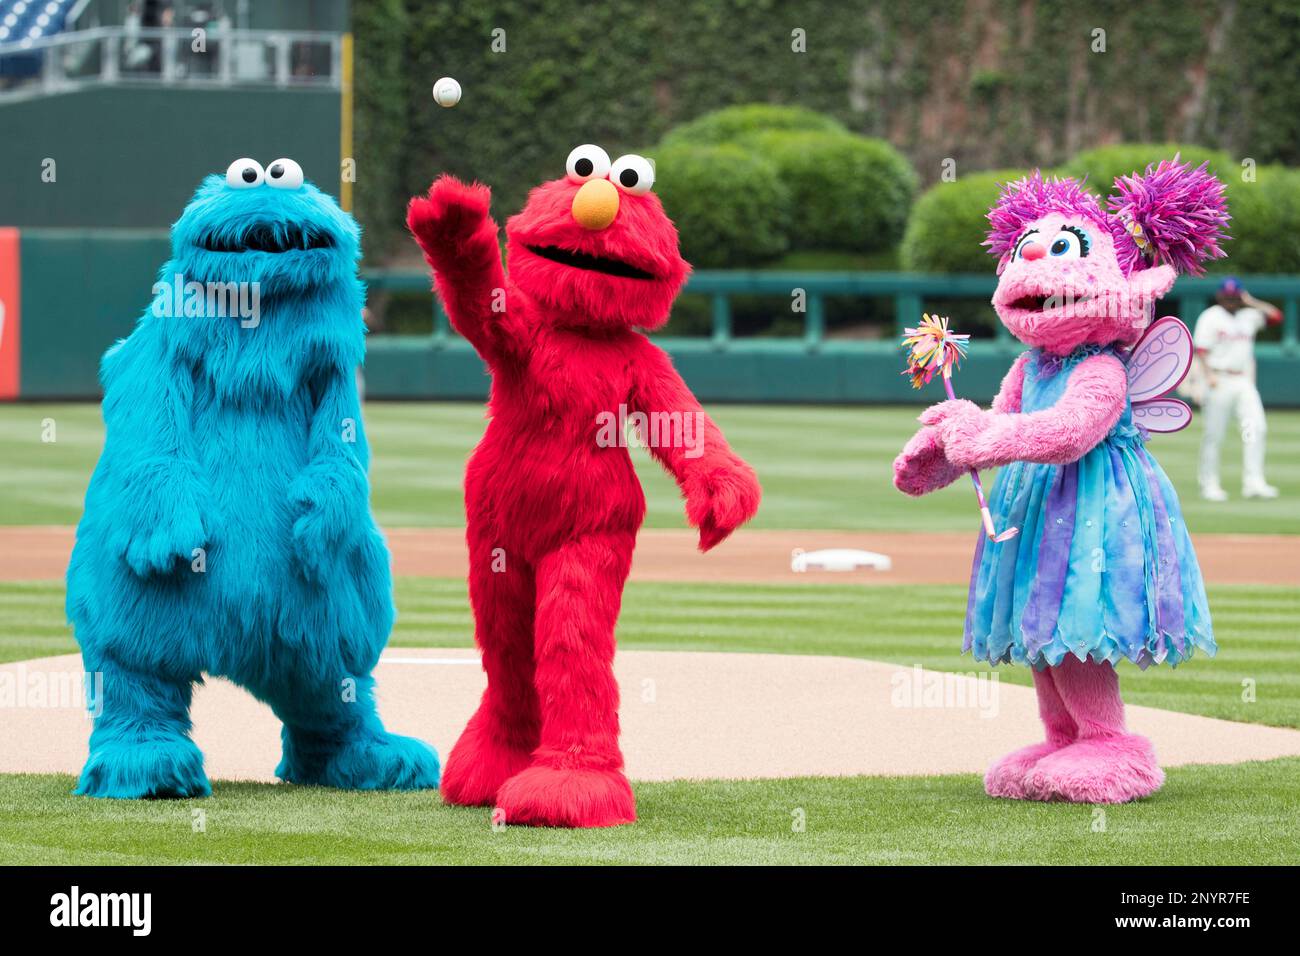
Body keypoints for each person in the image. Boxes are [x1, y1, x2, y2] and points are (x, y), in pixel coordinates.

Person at [1192, 277, 1282, 500]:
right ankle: (1209, 484)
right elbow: (1201, 349)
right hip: (1219, 379)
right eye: (1227, 296)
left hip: (1243, 381)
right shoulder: (1211, 316)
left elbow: (1276, 316)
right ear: (1220, 296)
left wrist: (1251, 302)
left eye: (1235, 296)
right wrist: (1208, 376)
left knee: (1255, 429)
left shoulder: (1249, 316)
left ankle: (1254, 482)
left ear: (1240, 296)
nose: (1230, 300)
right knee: (1214, 434)